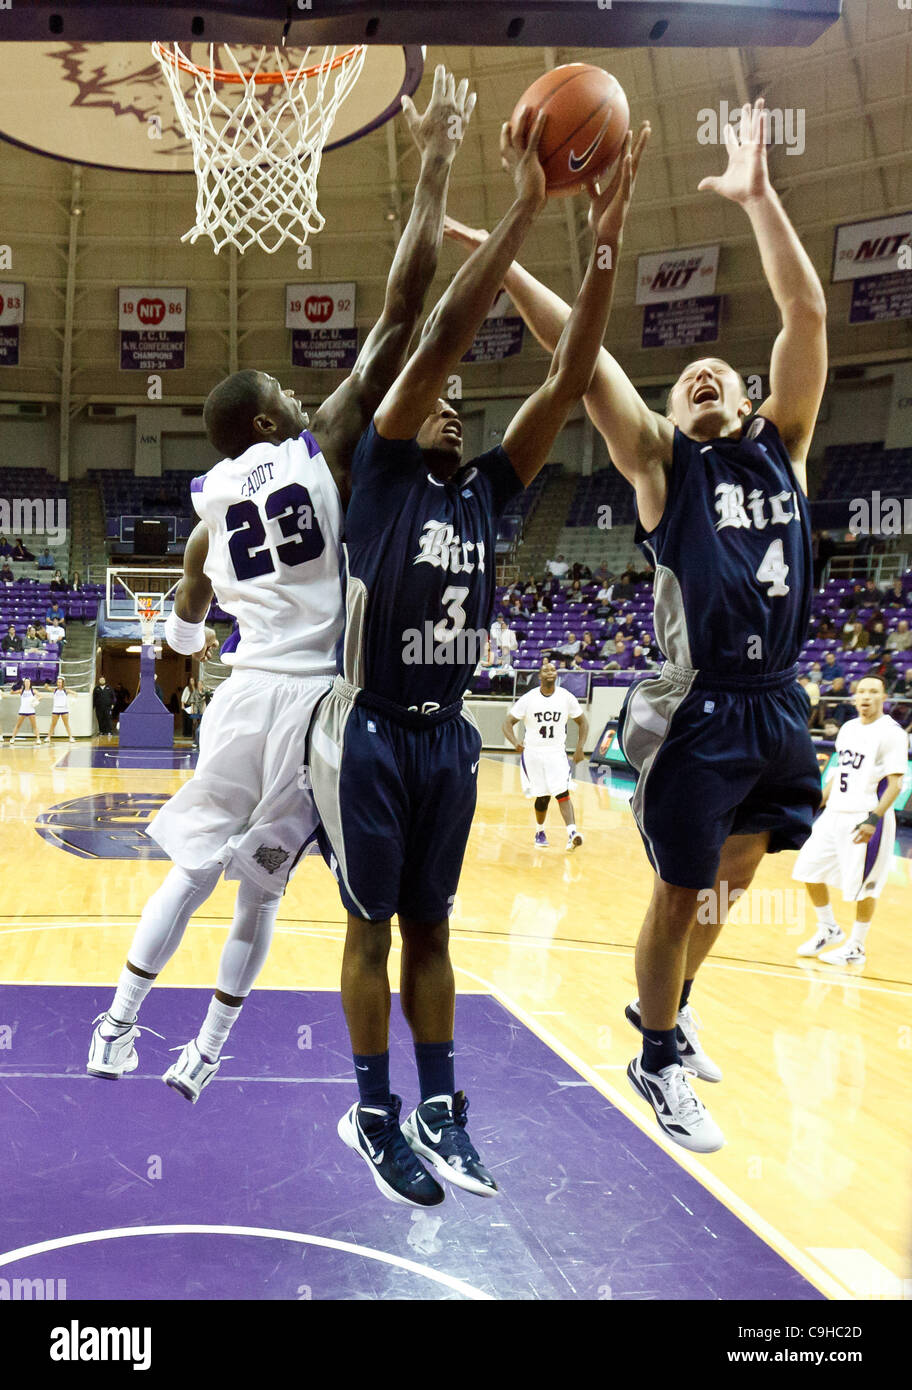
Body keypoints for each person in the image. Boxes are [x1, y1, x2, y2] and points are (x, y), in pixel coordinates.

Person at [85, 67, 476, 1099]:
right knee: (258, 896)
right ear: (270, 419)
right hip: (317, 707)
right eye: (289, 393)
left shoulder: (210, 499)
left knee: (190, 867)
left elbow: (182, 620)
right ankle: (207, 1052)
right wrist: (431, 163)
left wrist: (177, 654)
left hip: (243, 693)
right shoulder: (317, 446)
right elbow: (400, 316)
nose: (306, 396)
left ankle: (117, 1026)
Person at [450, 98, 826, 1153]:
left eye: (721, 376)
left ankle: (669, 1009)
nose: (701, 377)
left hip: (781, 706)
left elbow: (807, 318)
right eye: (685, 378)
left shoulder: (787, 451)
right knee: (677, 891)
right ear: (674, 407)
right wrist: (515, 255)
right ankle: (655, 1055)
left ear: (751, 400)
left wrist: (759, 198)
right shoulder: (666, 465)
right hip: (696, 705)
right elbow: (578, 352)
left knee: (743, 872)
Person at [308, 114, 647, 1205]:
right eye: (437, 393)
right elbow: (444, 333)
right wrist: (523, 205)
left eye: (461, 399)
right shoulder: (386, 471)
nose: (451, 400)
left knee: (433, 926)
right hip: (366, 728)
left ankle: (443, 1104)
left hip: (450, 736)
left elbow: (571, 373)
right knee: (370, 928)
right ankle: (371, 1110)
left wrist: (604, 238)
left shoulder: (487, 495)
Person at [793, 676, 907, 970]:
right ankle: (829, 928)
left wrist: (873, 819)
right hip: (834, 815)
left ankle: (856, 946)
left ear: (884, 698)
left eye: (873, 692)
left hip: (865, 816)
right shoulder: (848, 728)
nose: (866, 697)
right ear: (854, 698)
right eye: (862, 692)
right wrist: (815, 804)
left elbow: (896, 784)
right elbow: (837, 773)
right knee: (808, 869)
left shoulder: (891, 733)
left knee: (864, 887)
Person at [503, 659, 589, 849]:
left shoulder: (566, 697)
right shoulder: (528, 698)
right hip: (533, 752)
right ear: (540, 675)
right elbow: (507, 723)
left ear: (556, 675)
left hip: (556, 752)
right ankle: (539, 831)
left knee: (562, 791)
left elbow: (583, 722)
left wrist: (580, 746)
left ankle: (572, 833)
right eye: (546, 669)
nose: (550, 671)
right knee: (542, 797)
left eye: (553, 669)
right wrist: (515, 742)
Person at [4, 677, 44, 745]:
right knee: (18, 725)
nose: (27, 683)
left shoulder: (33, 691)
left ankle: (38, 739)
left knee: (34, 726)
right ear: (24, 683)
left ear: (30, 683)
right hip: (22, 710)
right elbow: (11, 693)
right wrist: (14, 687)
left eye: (28, 682)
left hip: (31, 711)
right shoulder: (21, 690)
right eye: (26, 682)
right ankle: (12, 738)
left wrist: (36, 700)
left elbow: (41, 696)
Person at [47, 676, 76, 743]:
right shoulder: (55, 690)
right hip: (56, 709)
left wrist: (74, 700)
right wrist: (47, 681)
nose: (59, 683)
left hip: (64, 710)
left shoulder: (66, 690)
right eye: (58, 682)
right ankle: (48, 737)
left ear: (63, 683)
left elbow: (75, 694)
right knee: (53, 724)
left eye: (60, 682)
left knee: (66, 724)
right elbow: (47, 687)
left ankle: (71, 738)